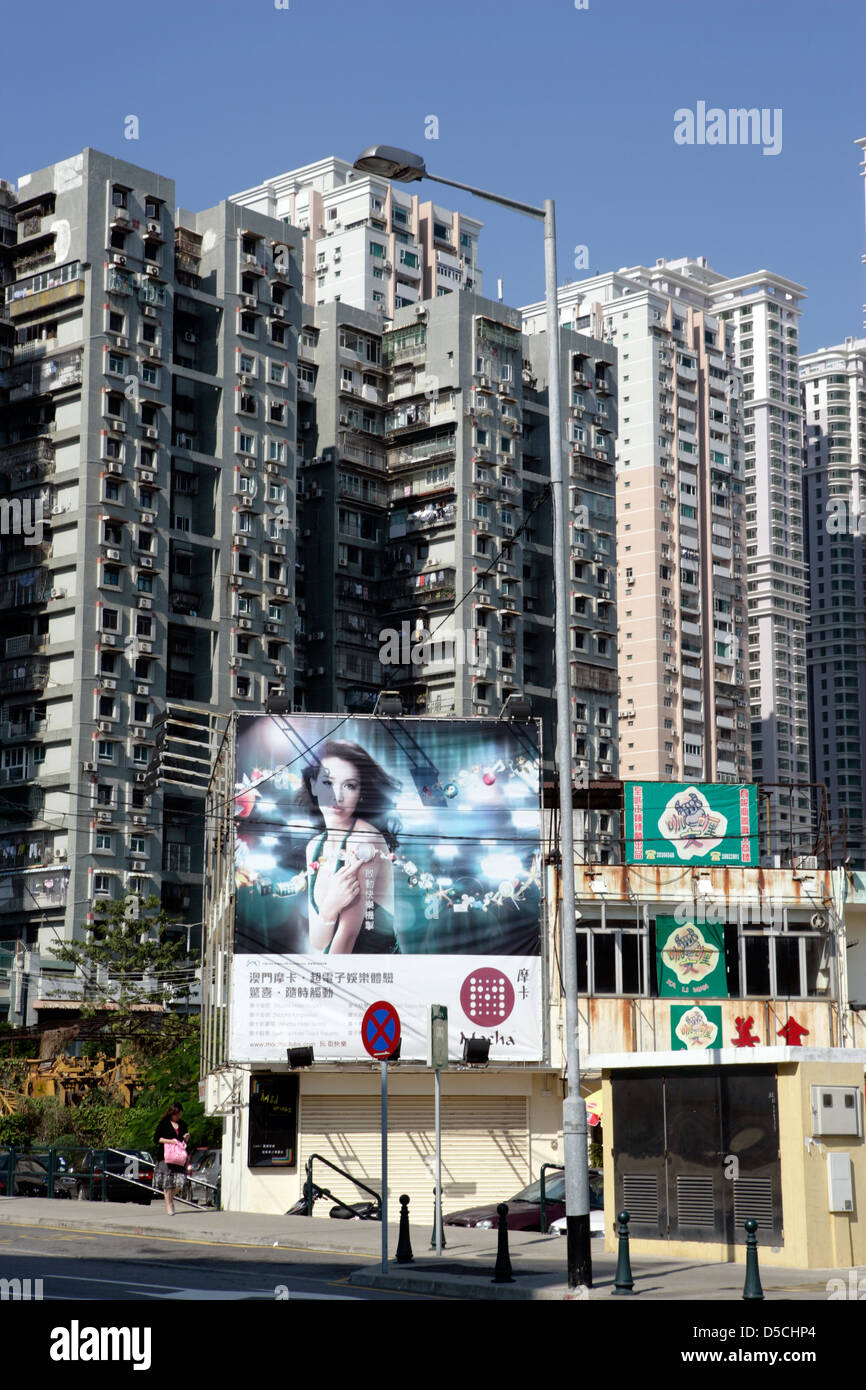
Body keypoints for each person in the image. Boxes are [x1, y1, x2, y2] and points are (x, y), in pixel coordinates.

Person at [298, 740, 401, 954]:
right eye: (328, 783)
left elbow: (347, 938)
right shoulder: (314, 847)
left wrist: (324, 986)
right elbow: (317, 942)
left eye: (349, 785)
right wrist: (330, 907)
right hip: (343, 973)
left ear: (361, 792)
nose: (338, 796)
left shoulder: (364, 841)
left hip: (376, 975)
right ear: (314, 784)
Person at [153, 1101, 191, 1215]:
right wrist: (171, 1141)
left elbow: (184, 1141)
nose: (179, 1116)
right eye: (177, 1114)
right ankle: (169, 1205)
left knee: (180, 1182)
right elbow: (156, 1139)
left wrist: (186, 1138)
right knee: (167, 1183)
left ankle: (170, 1198)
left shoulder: (183, 1124)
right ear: (172, 1113)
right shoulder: (164, 1123)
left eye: (180, 1114)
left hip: (178, 1156)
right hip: (166, 1156)